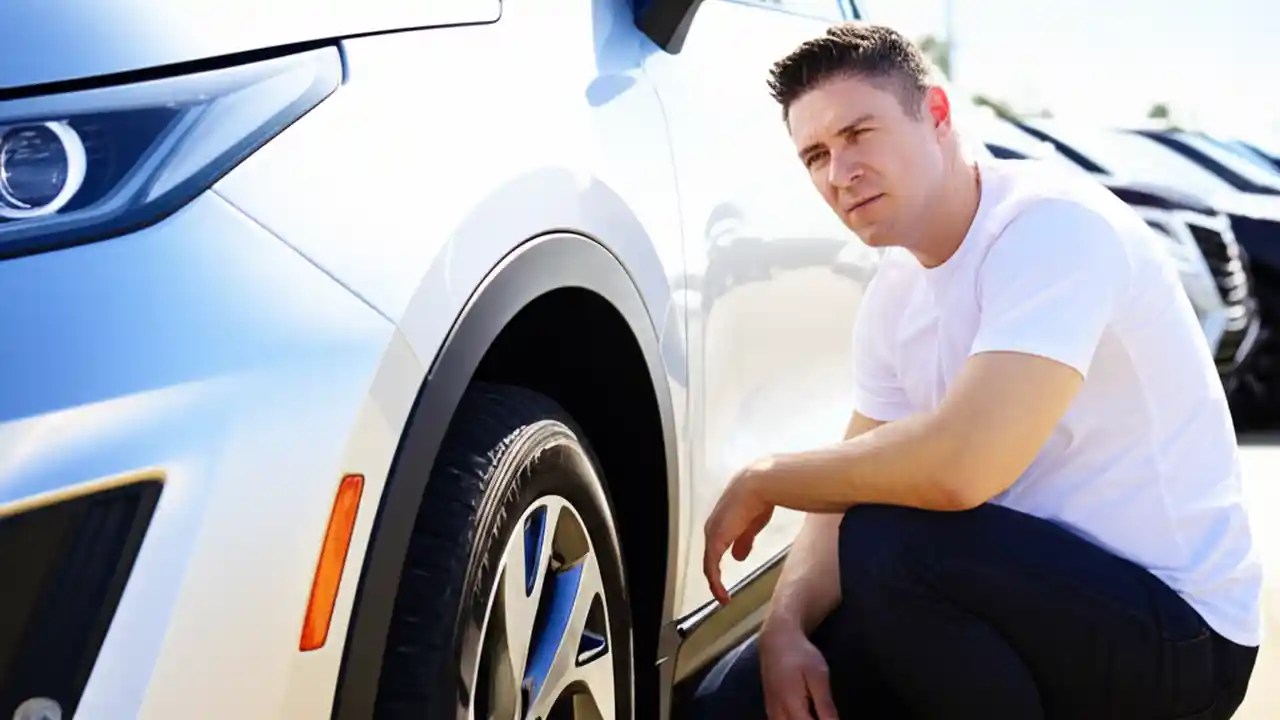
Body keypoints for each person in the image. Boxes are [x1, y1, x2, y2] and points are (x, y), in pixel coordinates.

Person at [693, 21, 1263, 720]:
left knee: (892, 542)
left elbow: (963, 466)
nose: (839, 174)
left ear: (936, 114)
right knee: (731, 702)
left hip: (1178, 633)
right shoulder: (895, 292)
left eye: (858, 134)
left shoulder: (1051, 226)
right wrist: (784, 629)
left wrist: (767, 475)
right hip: (1011, 603)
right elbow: (846, 486)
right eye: (815, 154)